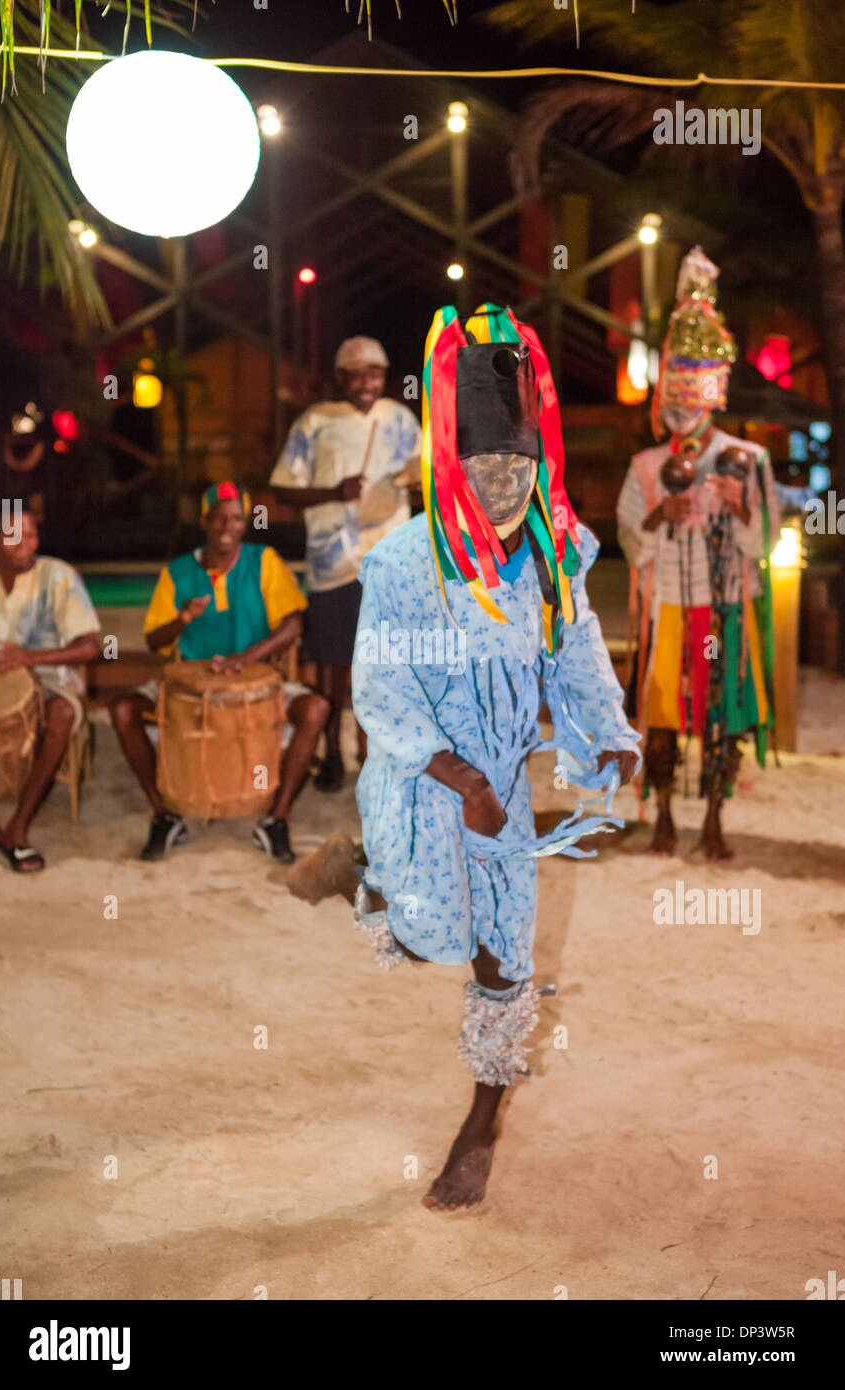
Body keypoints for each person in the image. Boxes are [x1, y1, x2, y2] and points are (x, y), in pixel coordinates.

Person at [295, 304, 640, 1211]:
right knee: (419, 938)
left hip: (502, 796)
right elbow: (380, 686)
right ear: (453, 463)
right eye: (484, 467)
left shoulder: (554, 554)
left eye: (517, 467)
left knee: (502, 957)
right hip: (420, 780)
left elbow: (576, 644)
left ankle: (479, 1128)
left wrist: (605, 728)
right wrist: (459, 776)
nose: (502, 486)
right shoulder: (406, 562)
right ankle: (361, 874)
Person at [616, 247, 780, 860]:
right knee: (662, 712)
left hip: (726, 606)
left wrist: (738, 509)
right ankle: (661, 814)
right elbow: (631, 537)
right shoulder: (648, 464)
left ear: (712, 394)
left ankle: (714, 818)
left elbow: (764, 541)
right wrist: (664, 512)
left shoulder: (748, 459)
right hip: (667, 606)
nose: (684, 407)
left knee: (725, 712)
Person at [109, 482, 329, 863]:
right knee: (122, 710)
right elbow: (153, 640)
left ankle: (275, 820)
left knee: (316, 709)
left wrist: (245, 659)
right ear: (204, 521)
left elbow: (293, 624)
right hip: (187, 685)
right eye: (219, 518)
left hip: (258, 679)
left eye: (237, 518)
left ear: (245, 523)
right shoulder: (177, 572)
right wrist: (183, 618)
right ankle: (165, 814)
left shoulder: (264, 561)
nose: (228, 526)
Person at [270, 335, 421, 791]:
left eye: (374, 374)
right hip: (333, 566)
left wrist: (417, 486)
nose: (367, 383)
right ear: (340, 378)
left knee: (384, 668)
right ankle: (331, 754)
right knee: (333, 668)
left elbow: (424, 473)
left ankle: (371, 755)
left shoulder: (400, 417)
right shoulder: (315, 422)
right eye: (357, 374)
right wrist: (334, 492)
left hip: (390, 565)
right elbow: (280, 489)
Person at [0, 509, 101, 872]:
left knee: (61, 713)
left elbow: (90, 646)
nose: (25, 545)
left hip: (50, 672)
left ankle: (17, 827)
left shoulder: (57, 576)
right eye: (14, 536)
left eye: (31, 536)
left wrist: (28, 657)